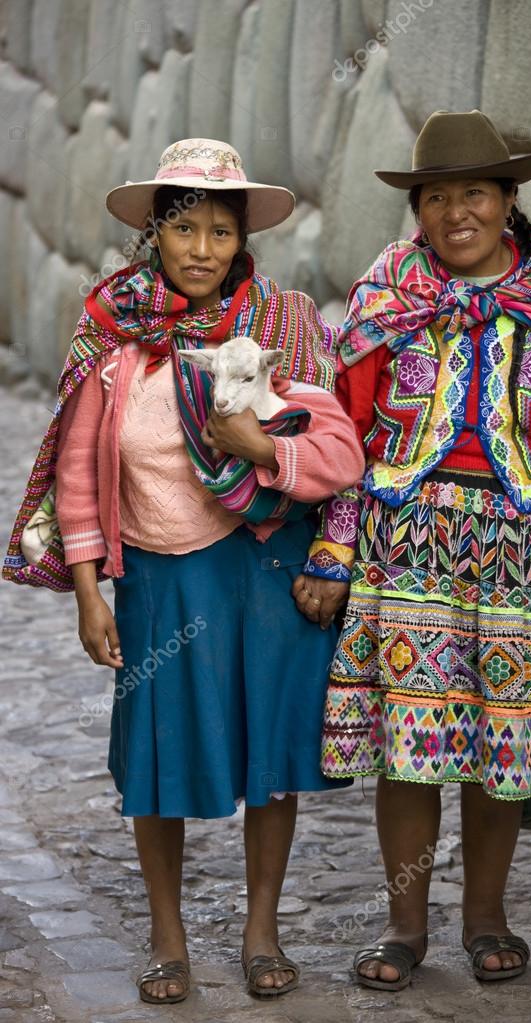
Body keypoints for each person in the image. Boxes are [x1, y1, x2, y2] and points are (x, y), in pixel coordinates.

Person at [4, 139, 364, 1003]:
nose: (202, 248)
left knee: (270, 750)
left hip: (264, 566)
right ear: (154, 235)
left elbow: (341, 451)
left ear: (242, 239)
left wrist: (262, 458)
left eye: (220, 230)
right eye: (185, 227)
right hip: (159, 578)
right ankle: (169, 939)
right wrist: (90, 592)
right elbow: (82, 475)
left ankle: (261, 929)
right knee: (156, 754)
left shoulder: (281, 326)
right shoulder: (113, 335)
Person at [297, 110, 531, 989]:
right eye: (435, 198)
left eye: (472, 193)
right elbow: (345, 428)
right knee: (411, 742)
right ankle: (405, 925)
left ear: (510, 198)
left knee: (500, 738)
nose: (454, 214)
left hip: (523, 538)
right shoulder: (388, 291)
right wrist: (334, 549)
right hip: (407, 541)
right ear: (419, 210)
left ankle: (487, 915)